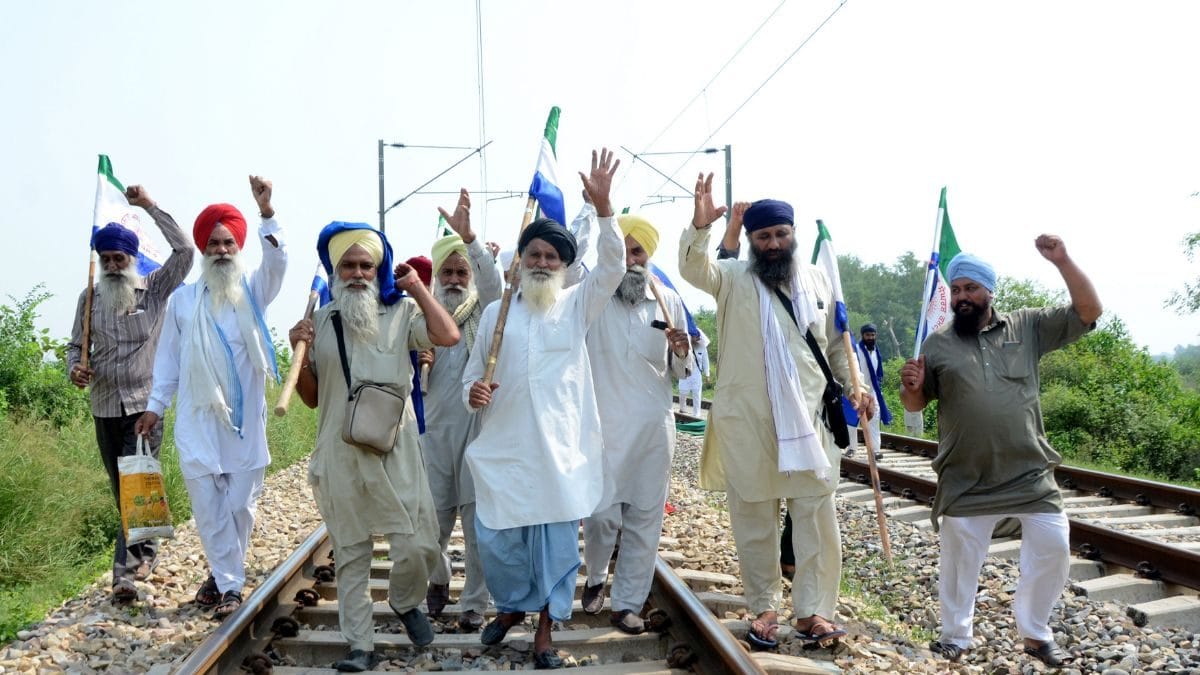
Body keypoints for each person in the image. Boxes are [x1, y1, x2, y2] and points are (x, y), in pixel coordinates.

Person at [678, 178, 873, 650]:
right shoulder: (731, 278)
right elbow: (692, 267)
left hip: (810, 420)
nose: (772, 244)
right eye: (763, 237)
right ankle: (763, 608)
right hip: (749, 423)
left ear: (793, 234)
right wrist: (703, 224)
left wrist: (857, 385)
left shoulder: (818, 280)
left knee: (816, 520)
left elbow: (834, 344)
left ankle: (813, 613)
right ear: (750, 241)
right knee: (754, 519)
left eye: (780, 235)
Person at [900, 240, 1101, 667]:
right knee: (959, 560)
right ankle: (955, 635)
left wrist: (1063, 261)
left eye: (971, 288)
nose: (961, 297)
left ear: (990, 291)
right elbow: (915, 404)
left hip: (1028, 472)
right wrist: (911, 387)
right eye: (956, 290)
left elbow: (1088, 312)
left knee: (1053, 544)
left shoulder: (1027, 326)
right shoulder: (937, 344)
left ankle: (1036, 633)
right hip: (965, 475)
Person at [462, 149, 623, 669]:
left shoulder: (577, 305)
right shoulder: (496, 311)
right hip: (505, 448)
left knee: (555, 548)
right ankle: (511, 608)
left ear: (564, 266)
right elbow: (471, 376)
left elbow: (614, 266)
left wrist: (604, 210)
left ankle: (546, 634)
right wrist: (474, 393)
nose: (542, 263)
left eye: (551, 257)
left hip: (560, 452)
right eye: (533, 255)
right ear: (520, 260)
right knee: (500, 540)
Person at [288, 222, 459, 672]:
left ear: (378, 268)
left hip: (396, 448)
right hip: (339, 451)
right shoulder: (320, 323)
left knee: (420, 545)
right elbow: (309, 397)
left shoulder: (402, 312)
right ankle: (360, 645)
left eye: (367, 265)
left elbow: (448, 336)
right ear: (335, 269)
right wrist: (297, 350)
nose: (359, 273)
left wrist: (419, 289)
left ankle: (405, 602)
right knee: (351, 552)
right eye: (349, 265)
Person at [134, 176, 286, 619]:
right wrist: (154, 407)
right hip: (198, 423)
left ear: (239, 247)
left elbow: (278, 262)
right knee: (208, 508)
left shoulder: (254, 292)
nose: (221, 250)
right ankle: (230, 587)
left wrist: (266, 213)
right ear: (203, 250)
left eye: (228, 243)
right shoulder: (182, 301)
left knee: (240, 505)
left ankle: (222, 574)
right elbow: (167, 362)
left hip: (242, 425)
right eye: (213, 244)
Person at [67, 185, 194, 603]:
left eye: (119, 258)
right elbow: (74, 348)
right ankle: (146, 550)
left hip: (144, 406)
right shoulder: (89, 298)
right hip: (103, 405)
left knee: (133, 485)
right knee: (121, 486)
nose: (113, 265)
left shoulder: (155, 290)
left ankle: (124, 576)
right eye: (106, 259)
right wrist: (76, 370)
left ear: (132, 259)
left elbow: (185, 252)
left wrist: (151, 207)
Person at [580, 213, 691, 634]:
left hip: (652, 428)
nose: (629, 259)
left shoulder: (668, 300)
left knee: (645, 518)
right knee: (602, 515)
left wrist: (681, 352)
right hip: (602, 427)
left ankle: (626, 603)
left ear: (648, 256)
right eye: (621, 251)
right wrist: (595, 210)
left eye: (636, 251)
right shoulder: (591, 296)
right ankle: (594, 576)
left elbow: (682, 372)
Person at [417, 188, 503, 631]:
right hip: (432, 431)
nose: (453, 278)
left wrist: (471, 241)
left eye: (460, 271)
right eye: (446, 271)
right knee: (431, 520)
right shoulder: (422, 315)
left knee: (475, 522)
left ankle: (474, 601)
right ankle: (437, 580)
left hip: (476, 430)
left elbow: (495, 286)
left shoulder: (485, 311)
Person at [845, 323, 891, 460]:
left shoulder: (876, 351)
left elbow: (877, 374)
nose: (870, 338)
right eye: (867, 335)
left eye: (872, 335)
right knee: (852, 421)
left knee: (874, 420)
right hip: (857, 391)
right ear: (863, 336)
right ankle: (852, 448)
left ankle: (875, 450)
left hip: (873, 392)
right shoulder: (857, 350)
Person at [676, 330, 709, 415]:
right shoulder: (684, 345)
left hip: (697, 373)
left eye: (696, 337)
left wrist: (707, 374)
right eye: (693, 336)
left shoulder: (702, 347)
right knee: (683, 392)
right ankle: (682, 409)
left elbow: (705, 361)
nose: (695, 338)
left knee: (697, 394)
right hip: (685, 372)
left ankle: (696, 414)